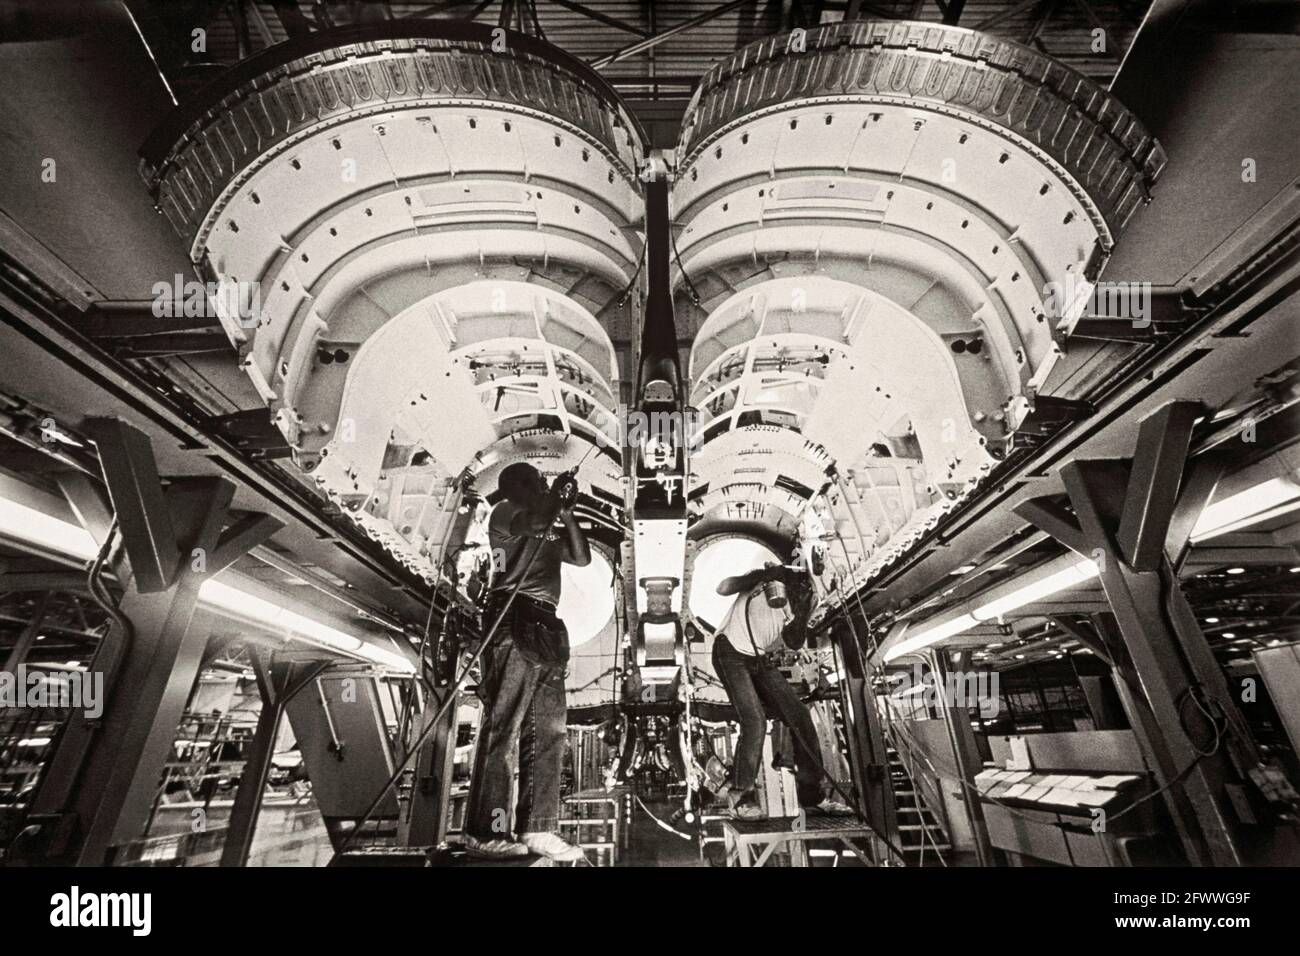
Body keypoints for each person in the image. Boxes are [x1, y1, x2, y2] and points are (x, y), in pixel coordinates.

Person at [463, 462, 591, 862]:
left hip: (544, 624)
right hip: (512, 617)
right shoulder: (506, 512)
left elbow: (582, 558)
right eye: (535, 481)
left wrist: (566, 510)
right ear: (516, 486)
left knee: (550, 731)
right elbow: (535, 524)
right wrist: (555, 500)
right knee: (506, 729)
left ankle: (537, 828)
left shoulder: (548, 519)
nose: (541, 485)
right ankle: (488, 830)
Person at [710, 564, 826, 819]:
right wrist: (760, 576)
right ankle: (741, 794)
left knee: (799, 715)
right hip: (729, 651)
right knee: (755, 721)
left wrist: (805, 608)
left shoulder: (804, 600)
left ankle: (811, 795)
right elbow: (723, 588)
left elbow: (794, 641)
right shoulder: (767, 583)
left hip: (759, 658)